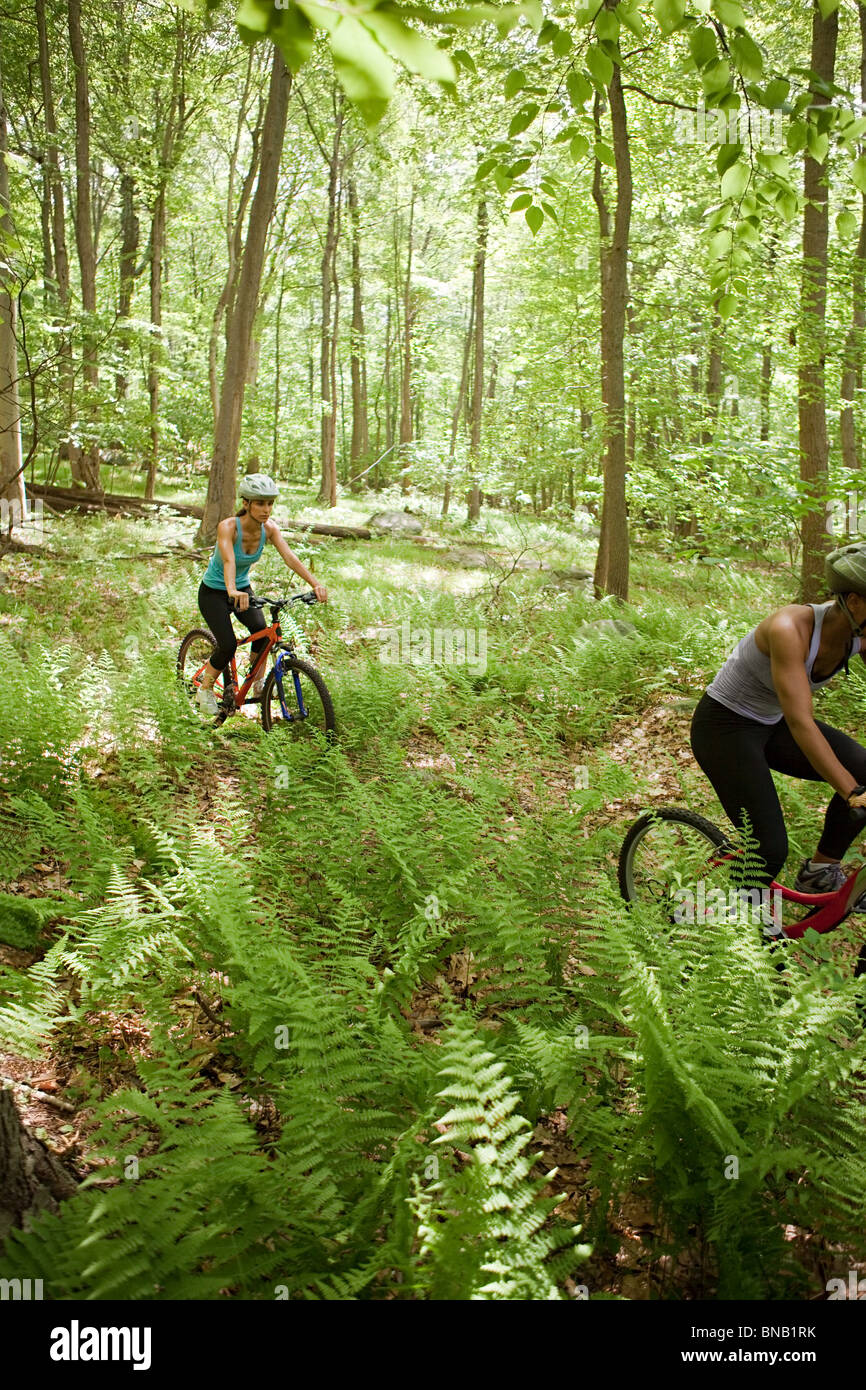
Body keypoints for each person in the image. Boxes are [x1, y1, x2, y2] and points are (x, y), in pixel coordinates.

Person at [690, 542, 866, 927]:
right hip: (725, 727)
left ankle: (821, 870)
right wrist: (852, 794)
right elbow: (802, 722)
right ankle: (723, 934)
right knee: (768, 847)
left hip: (771, 725)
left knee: (865, 766)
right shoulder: (789, 628)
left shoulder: (860, 635)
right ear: (854, 602)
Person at [196, 473, 327, 715]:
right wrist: (232, 589)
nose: (266, 509)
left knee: (264, 635)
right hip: (214, 592)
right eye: (260, 503)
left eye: (270, 503)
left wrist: (315, 583)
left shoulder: (269, 529)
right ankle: (204, 690)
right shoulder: (228, 527)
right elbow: (228, 560)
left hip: (242, 590)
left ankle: (256, 684)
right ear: (246, 504)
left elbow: (290, 557)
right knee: (226, 645)